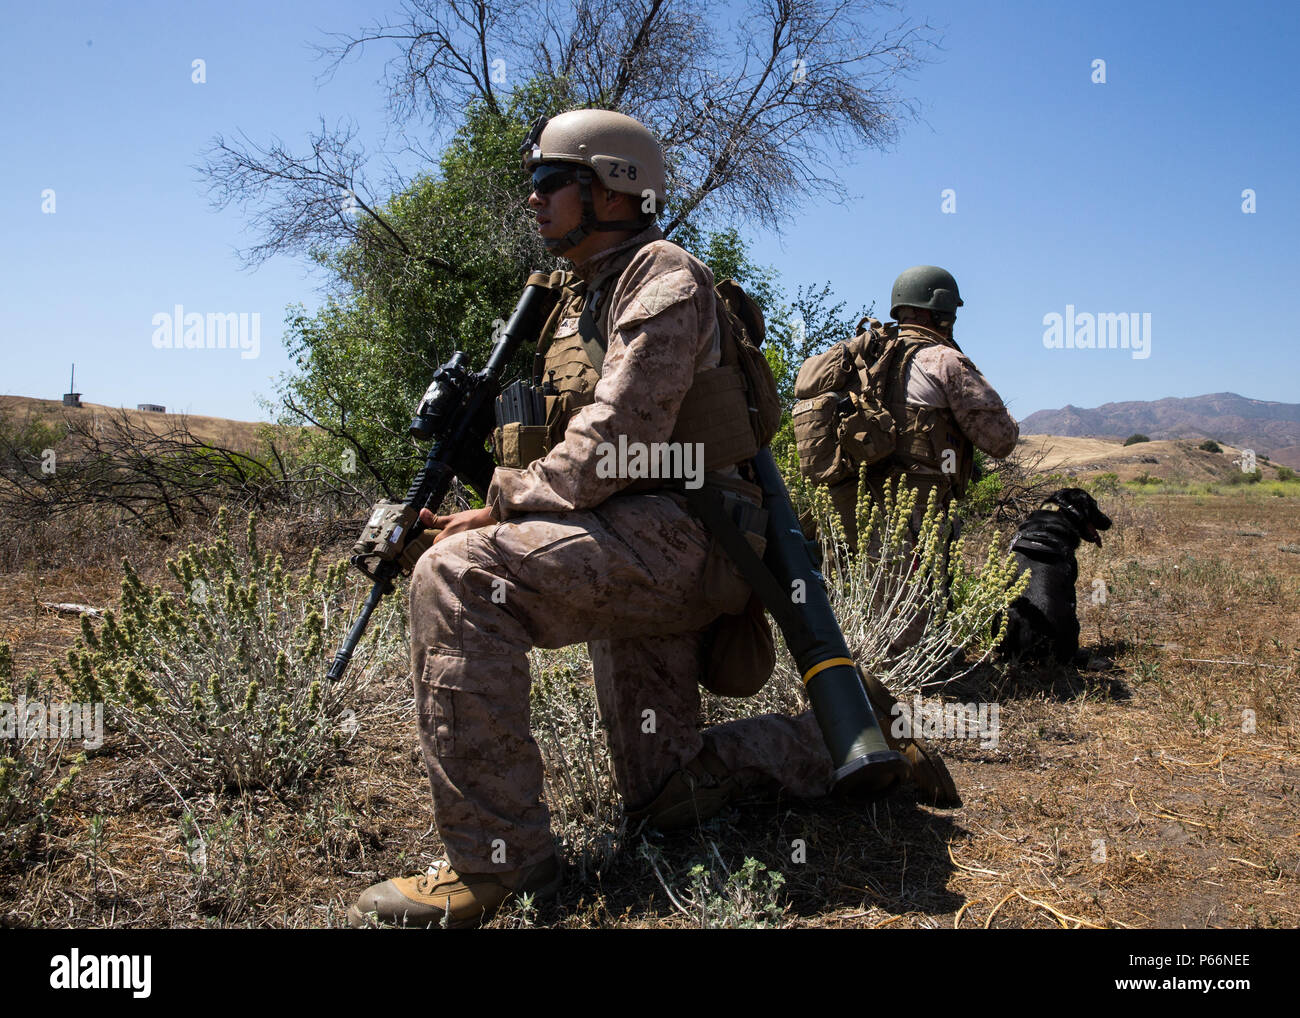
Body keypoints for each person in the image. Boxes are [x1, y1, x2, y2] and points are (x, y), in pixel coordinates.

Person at [347, 108, 842, 930]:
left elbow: (616, 445)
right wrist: (483, 475)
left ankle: (495, 864)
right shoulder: (574, 299)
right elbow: (569, 451)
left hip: (691, 534)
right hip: (633, 536)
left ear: (610, 189)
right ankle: (853, 739)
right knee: (665, 793)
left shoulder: (665, 278)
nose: (533, 200)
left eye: (549, 183)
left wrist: (497, 511)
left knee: (460, 579)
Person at [821, 266, 1019, 552]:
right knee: (919, 597)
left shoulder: (863, 357)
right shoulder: (943, 360)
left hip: (849, 513)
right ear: (939, 312)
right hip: (914, 520)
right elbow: (1002, 441)